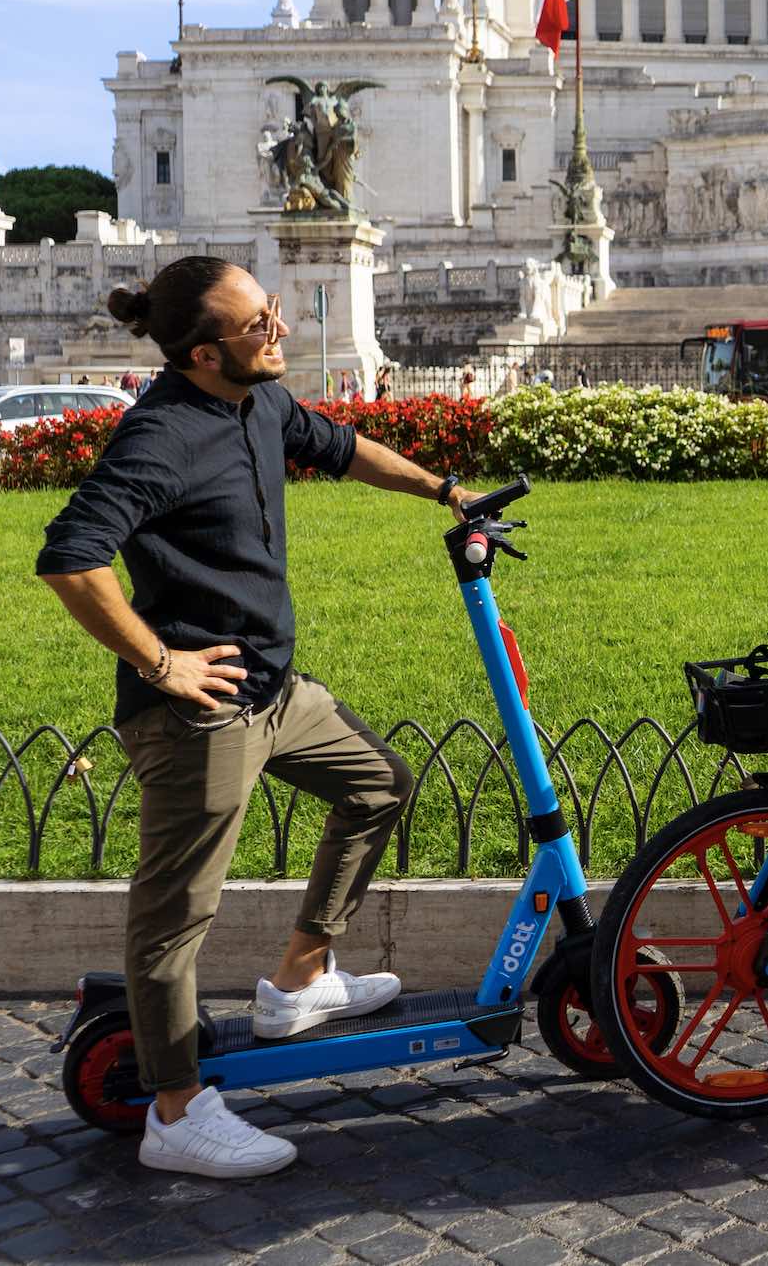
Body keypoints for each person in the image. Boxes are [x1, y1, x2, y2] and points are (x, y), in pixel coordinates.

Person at [37, 257, 471, 1179]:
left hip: (275, 689)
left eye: (273, 312)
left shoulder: (260, 402)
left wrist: (446, 493)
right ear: (203, 353)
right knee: (172, 921)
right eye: (259, 324)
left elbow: (342, 447)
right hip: (200, 717)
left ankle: (301, 981)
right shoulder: (160, 436)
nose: (278, 330)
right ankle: (176, 1112)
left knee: (380, 784)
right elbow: (73, 559)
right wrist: (161, 663)